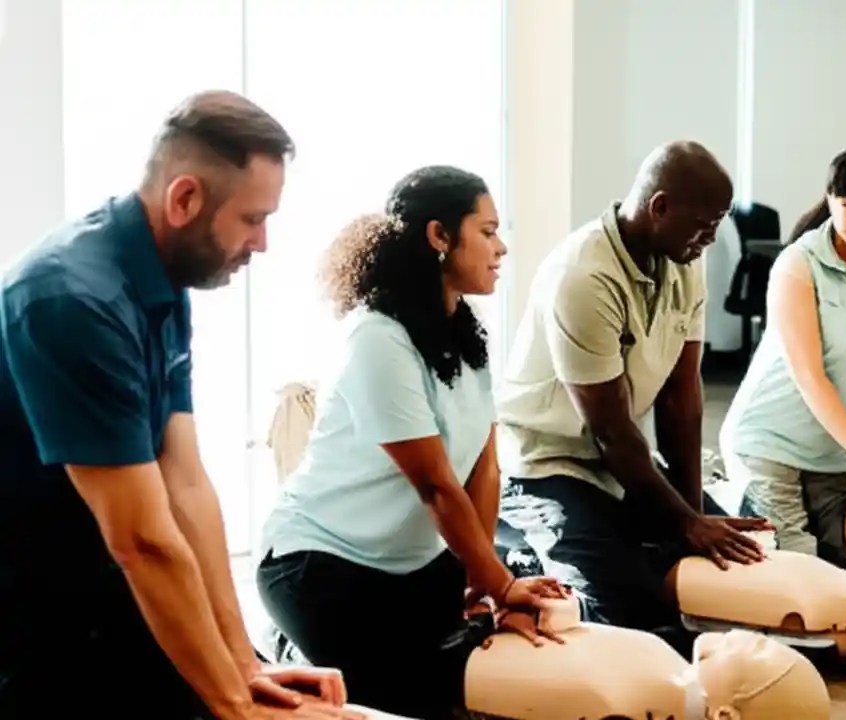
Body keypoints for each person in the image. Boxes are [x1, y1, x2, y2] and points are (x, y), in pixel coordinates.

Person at [0, 91, 355, 718]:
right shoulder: (70, 298)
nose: (263, 242)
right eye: (252, 219)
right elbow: (142, 540)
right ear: (185, 198)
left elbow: (185, 483)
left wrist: (243, 662)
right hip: (38, 611)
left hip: (106, 583)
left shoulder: (163, 286)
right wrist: (234, 706)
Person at [256, 167, 568, 719]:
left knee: (486, 657)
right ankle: (291, 649)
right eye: (488, 231)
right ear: (439, 237)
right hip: (321, 567)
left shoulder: (464, 333)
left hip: (414, 569)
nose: (502, 248)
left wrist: (483, 578)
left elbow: (483, 469)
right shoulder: (377, 336)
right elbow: (433, 484)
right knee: (416, 698)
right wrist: (501, 584)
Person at [496, 141, 770, 658]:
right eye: (704, 225)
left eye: (718, 225)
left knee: (733, 569)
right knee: (632, 620)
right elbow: (610, 432)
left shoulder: (683, 258)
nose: (710, 239)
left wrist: (692, 514)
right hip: (549, 464)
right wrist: (685, 523)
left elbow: (682, 402)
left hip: (619, 465)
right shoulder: (584, 276)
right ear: (659, 206)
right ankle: (524, 556)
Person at [718, 146, 846, 571]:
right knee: (801, 569)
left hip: (833, 457)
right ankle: (726, 502)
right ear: (829, 201)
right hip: (768, 446)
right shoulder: (798, 264)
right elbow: (810, 377)